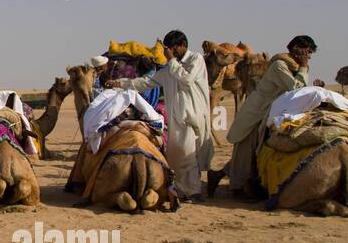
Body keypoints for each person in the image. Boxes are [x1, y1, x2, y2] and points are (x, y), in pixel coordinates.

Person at [107, 30, 213, 201]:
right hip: (176, 119)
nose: (170, 52)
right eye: (168, 49)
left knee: (188, 155)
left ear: (182, 45)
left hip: (192, 116)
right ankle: (182, 190)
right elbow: (146, 82)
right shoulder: (170, 68)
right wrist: (120, 83)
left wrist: (170, 60)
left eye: (172, 48)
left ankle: (194, 191)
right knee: (176, 155)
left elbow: (186, 80)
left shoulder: (196, 60)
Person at [224, 35, 318, 200]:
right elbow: (296, 88)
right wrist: (304, 68)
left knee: (258, 151)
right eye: (307, 51)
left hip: (269, 112)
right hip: (257, 111)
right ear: (296, 49)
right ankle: (237, 189)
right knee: (245, 151)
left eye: (310, 53)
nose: (308, 56)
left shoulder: (293, 67)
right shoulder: (279, 66)